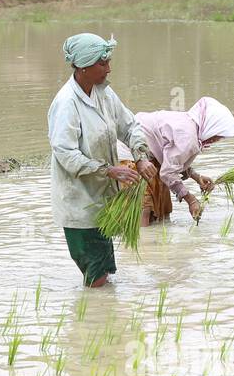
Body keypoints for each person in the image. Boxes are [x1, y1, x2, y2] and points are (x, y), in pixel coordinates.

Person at [48, 33, 158, 288]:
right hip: (79, 204)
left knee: (104, 273)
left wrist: (140, 157)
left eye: (108, 61)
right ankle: (91, 323)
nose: (109, 68)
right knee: (95, 278)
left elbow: (130, 125)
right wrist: (109, 170)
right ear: (84, 66)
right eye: (102, 63)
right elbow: (65, 153)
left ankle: (106, 319)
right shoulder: (67, 103)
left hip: (102, 202)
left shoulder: (104, 94)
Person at [114, 97, 234, 225]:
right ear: (210, 126)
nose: (216, 140)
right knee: (143, 208)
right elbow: (167, 173)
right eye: (217, 135)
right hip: (131, 152)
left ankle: (157, 242)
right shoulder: (188, 137)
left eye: (220, 137)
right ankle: (143, 242)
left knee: (162, 210)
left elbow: (172, 162)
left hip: (151, 158)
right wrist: (191, 200)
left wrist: (196, 177)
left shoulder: (191, 127)